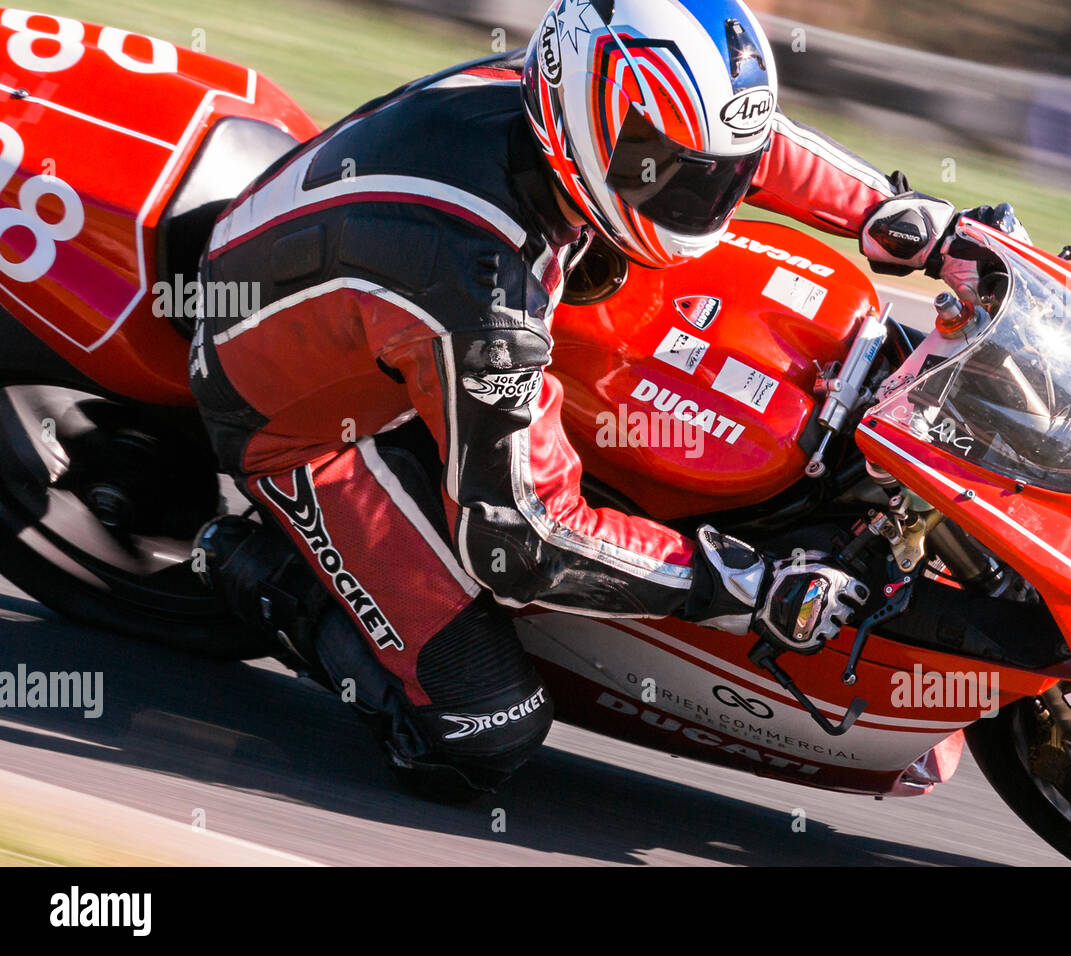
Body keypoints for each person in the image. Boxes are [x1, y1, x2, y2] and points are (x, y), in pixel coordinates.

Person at [189, 0, 1027, 800]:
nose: (713, 203)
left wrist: (912, 221)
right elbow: (523, 542)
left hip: (388, 305)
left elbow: (758, 147)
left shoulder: (579, 100)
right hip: (313, 427)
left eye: (718, 177)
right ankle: (251, 565)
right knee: (484, 729)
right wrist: (740, 585)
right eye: (683, 181)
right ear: (593, 136)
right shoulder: (487, 297)